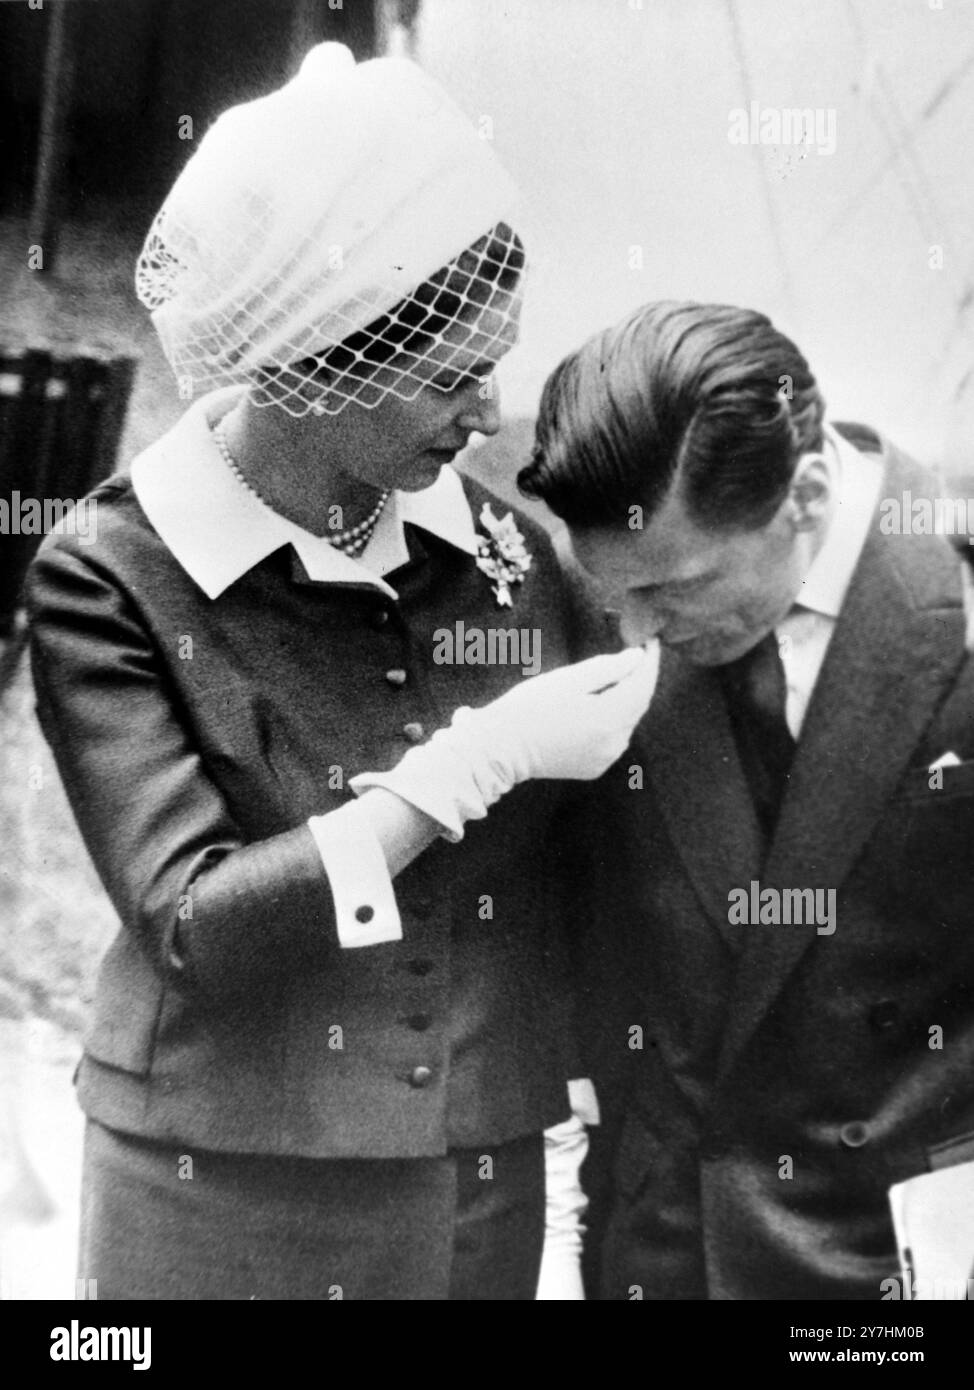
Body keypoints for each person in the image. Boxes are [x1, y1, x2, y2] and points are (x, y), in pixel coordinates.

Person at [26, 43, 658, 1302]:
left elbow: (628, 843)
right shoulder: (112, 574)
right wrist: (460, 772)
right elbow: (195, 923)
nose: (487, 412)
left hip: (473, 1184)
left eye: (496, 359)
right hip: (215, 1186)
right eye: (448, 375)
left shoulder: (507, 553)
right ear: (317, 369)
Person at [518, 299, 974, 1300]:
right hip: (651, 1259)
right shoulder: (594, 593)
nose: (633, 631)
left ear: (805, 493)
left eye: (674, 588)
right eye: (613, 593)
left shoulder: (961, 592)